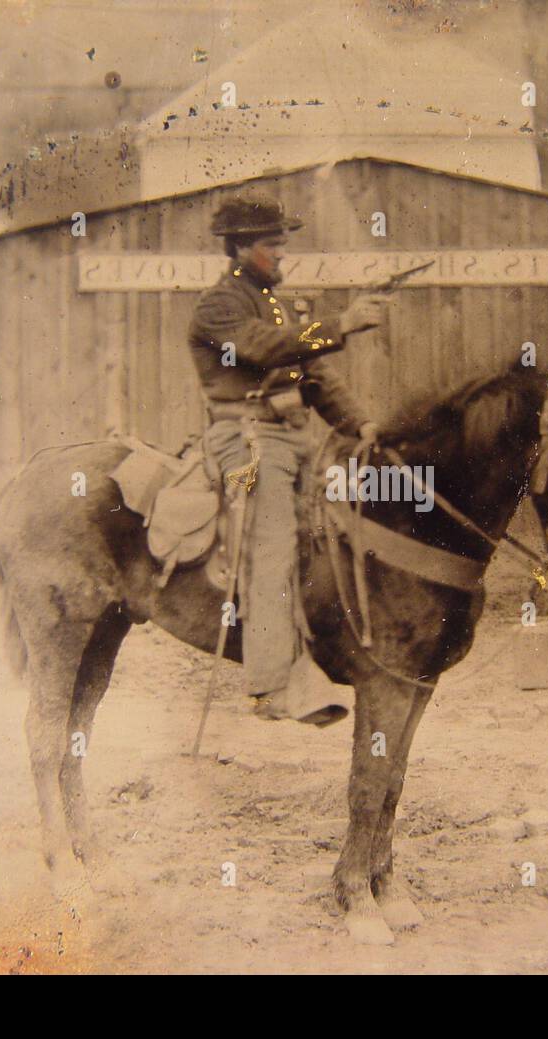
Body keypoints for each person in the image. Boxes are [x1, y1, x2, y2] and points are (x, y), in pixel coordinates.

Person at [187, 195, 389, 723]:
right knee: (274, 546)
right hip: (246, 438)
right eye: (272, 244)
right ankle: (270, 687)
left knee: (322, 546)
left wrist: (360, 423)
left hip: (292, 438)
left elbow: (315, 376)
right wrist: (341, 324)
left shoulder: (276, 304)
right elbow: (265, 347)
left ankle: (311, 662)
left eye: (282, 243)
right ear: (240, 248)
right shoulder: (219, 306)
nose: (281, 253)